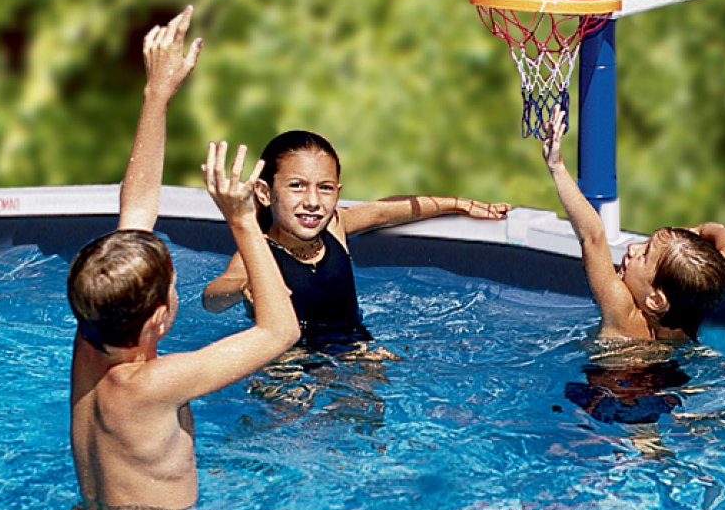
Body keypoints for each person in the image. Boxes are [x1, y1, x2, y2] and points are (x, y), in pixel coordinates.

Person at [42, 7, 299, 510]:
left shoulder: (90, 337)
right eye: (174, 283)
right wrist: (242, 221)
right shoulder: (151, 384)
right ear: (159, 318)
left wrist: (157, 93)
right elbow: (280, 329)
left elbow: (135, 216)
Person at [202, 129, 510, 353]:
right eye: (296, 186)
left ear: (338, 190)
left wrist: (457, 203)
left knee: (372, 410)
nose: (312, 201)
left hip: (352, 345)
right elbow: (212, 298)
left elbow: (384, 212)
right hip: (286, 359)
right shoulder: (258, 253)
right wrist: (242, 288)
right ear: (265, 193)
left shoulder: (336, 225)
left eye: (325, 188)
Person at [542, 104, 725, 342]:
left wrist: (557, 167)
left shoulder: (625, 316)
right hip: (674, 374)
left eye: (644, 256)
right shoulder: (700, 295)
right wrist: (682, 243)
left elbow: (593, 238)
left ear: (655, 300)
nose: (633, 249)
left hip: (612, 380)